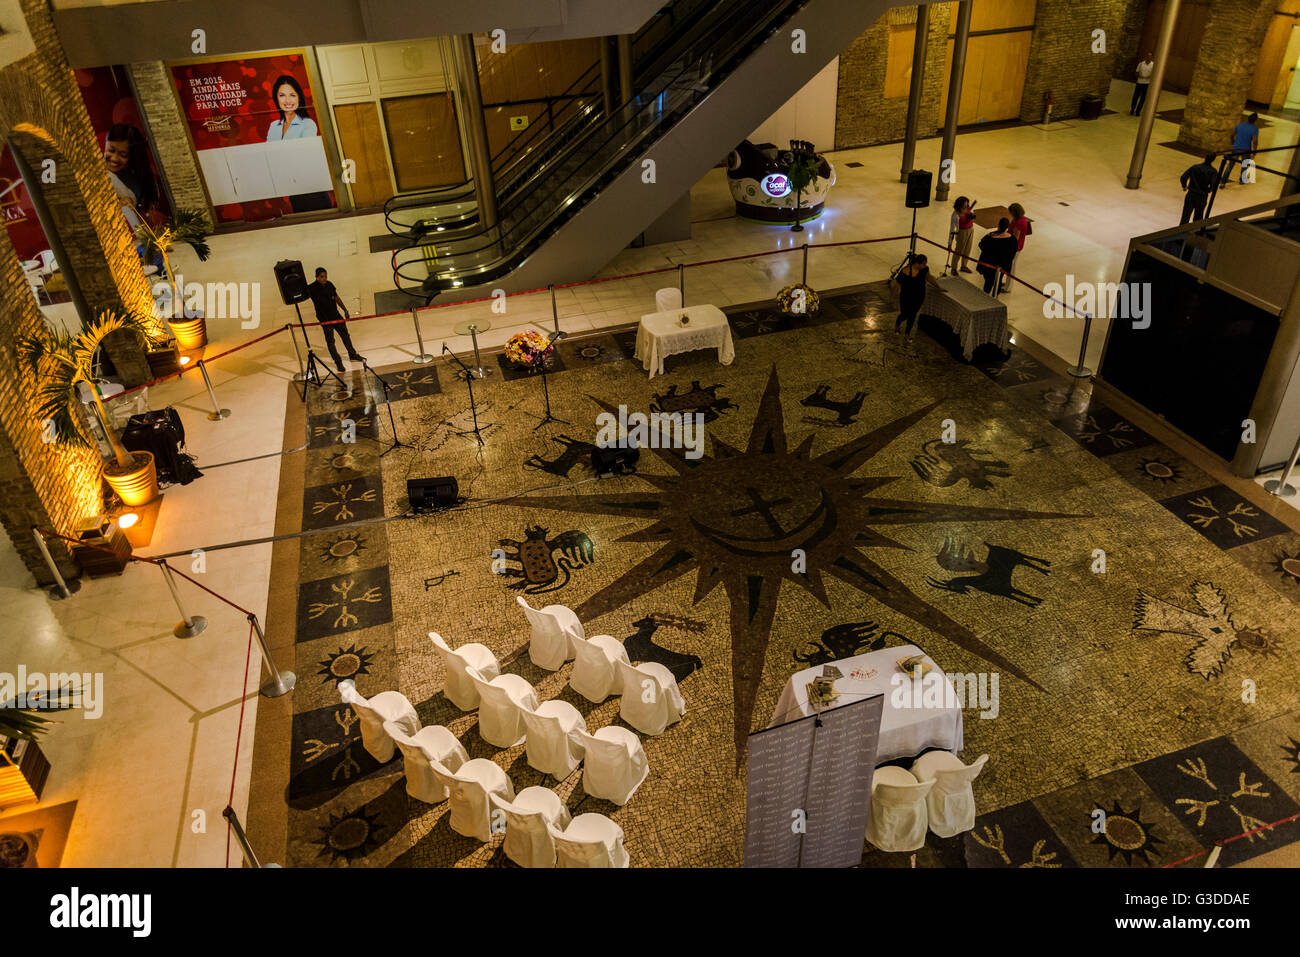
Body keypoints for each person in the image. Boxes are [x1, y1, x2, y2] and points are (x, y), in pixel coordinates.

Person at [266, 74, 331, 213]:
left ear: (299, 98)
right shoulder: (274, 126)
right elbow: (269, 158)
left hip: (313, 189)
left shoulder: (307, 124)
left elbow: (302, 156)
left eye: (292, 95)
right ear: (276, 98)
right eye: (282, 95)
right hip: (293, 190)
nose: (287, 100)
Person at [307, 268, 365, 372]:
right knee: (330, 342)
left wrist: (345, 310)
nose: (324, 278)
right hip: (325, 319)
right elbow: (301, 295)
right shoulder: (311, 288)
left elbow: (336, 297)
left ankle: (352, 355)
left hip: (336, 315)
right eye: (322, 277)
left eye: (325, 276)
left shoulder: (329, 284)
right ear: (316, 277)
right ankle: (338, 362)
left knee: (345, 335)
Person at [104, 123, 158, 221]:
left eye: (123, 155)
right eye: (111, 151)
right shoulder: (96, 170)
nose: (114, 158)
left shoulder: (134, 184)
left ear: (132, 157)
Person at [890, 253, 943, 348]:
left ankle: (907, 334)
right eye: (923, 264)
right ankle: (897, 324)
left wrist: (939, 287)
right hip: (906, 297)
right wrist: (892, 299)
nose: (925, 266)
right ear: (917, 264)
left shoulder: (925, 269)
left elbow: (929, 278)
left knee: (913, 314)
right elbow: (896, 286)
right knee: (904, 314)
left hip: (919, 296)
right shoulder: (906, 271)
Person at [976, 219, 1017, 296]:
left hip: (989, 265)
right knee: (998, 281)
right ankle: (995, 298)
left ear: (998, 225)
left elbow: (981, 245)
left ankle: (985, 298)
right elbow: (1012, 253)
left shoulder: (990, 236)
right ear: (1007, 227)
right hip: (1001, 266)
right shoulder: (1012, 240)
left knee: (988, 282)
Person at [1221, 112, 1260, 187]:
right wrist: (1254, 152)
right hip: (1246, 149)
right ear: (1255, 120)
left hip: (1236, 148)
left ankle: (1223, 182)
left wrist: (1233, 142)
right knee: (1244, 165)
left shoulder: (1240, 125)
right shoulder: (1254, 129)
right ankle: (1242, 180)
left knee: (1230, 165)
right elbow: (1255, 141)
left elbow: (1232, 135)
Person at [1179, 154, 1217, 224]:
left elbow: (1183, 177)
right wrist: (1208, 190)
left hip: (1191, 194)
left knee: (1185, 217)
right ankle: (1195, 233)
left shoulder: (1195, 167)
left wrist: (1184, 186)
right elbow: (1213, 185)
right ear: (1213, 160)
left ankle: (1180, 233)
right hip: (1202, 197)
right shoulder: (1213, 171)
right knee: (1198, 218)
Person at [1006, 202, 1032, 294]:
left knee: (1011, 267)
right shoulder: (1021, 219)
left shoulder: (1019, 222)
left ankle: (1008, 287)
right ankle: (1007, 284)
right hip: (1017, 246)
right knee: (1011, 266)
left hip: (1015, 247)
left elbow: (1015, 237)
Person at [949, 196, 976, 273]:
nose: (966, 208)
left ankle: (964, 266)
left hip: (971, 230)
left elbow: (971, 216)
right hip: (961, 232)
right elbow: (952, 229)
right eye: (964, 207)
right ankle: (953, 268)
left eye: (967, 206)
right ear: (959, 206)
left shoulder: (968, 209)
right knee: (959, 250)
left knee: (968, 249)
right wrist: (949, 243)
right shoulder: (955, 215)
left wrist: (971, 217)